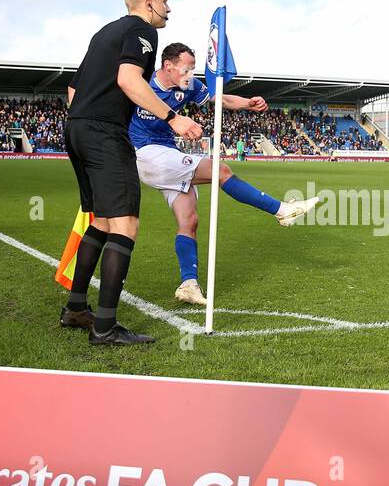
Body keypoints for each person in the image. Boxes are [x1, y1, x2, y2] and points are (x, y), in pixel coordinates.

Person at [60, 0, 204, 346]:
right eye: (166, 2)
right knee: (125, 225)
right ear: (150, 3)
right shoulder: (144, 32)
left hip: (77, 129)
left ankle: (76, 308)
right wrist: (174, 118)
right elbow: (129, 80)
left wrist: (87, 121)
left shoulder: (104, 32)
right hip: (105, 134)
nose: (169, 9)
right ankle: (105, 328)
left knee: (104, 221)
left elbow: (73, 89)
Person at [132, 42, 320, 306]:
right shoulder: (140, 85)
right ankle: (281, 210)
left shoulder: (189, 87)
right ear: (168, 66)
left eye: (192, 70)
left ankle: (188, 284)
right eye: (186, 70)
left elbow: (220, 98)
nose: (190, 76)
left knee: (189, 221)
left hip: (169, 154)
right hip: (147, 154)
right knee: (220, 170)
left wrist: (248, 103)